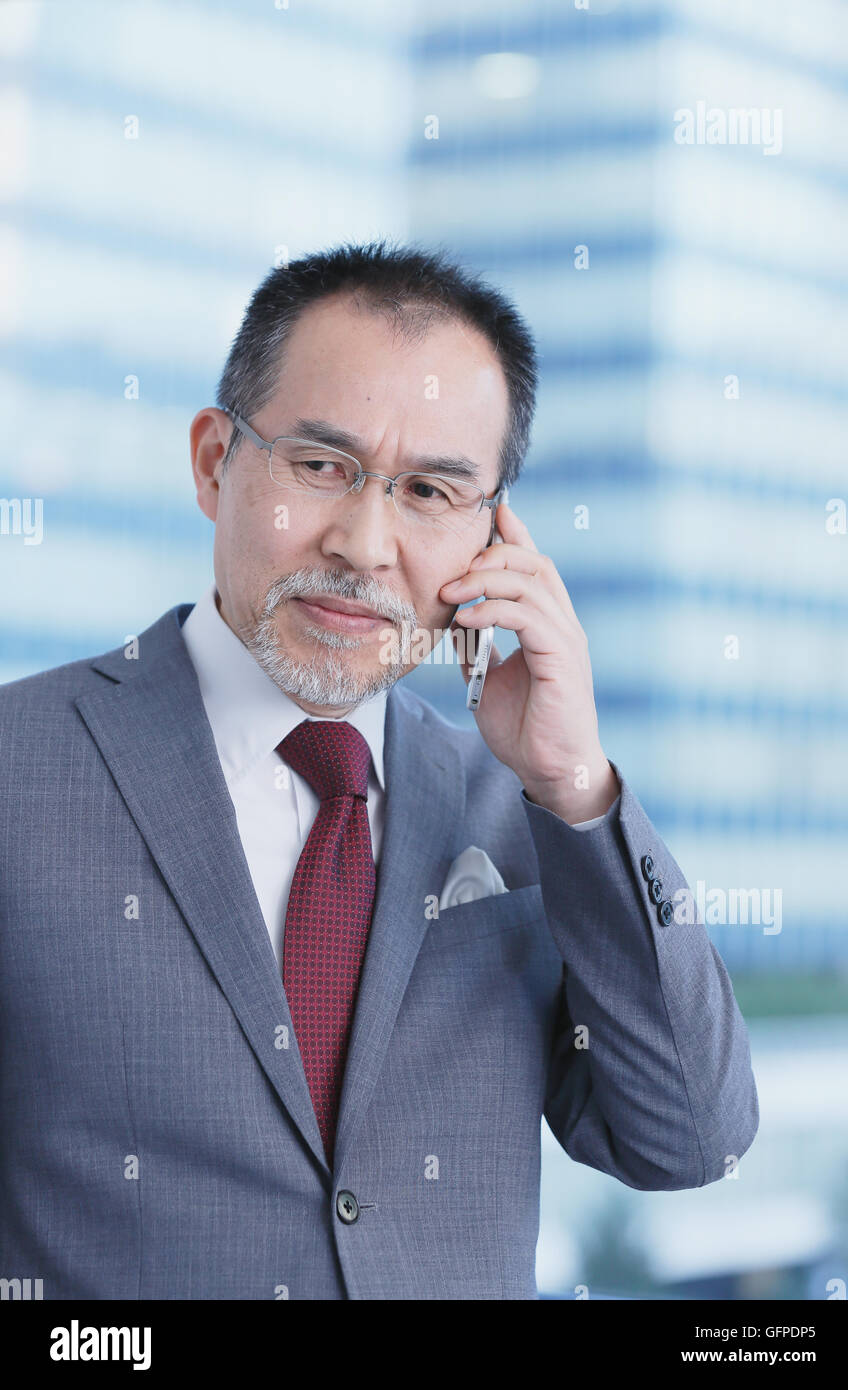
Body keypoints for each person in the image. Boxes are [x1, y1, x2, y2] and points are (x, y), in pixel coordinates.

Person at [0, 241, 758, 1300]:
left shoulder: (523, 812)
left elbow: (687, 1138)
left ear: (493, 534)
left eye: (431, 491)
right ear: (216, 461)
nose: (364, 541)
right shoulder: (20, 769)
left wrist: (575, 785)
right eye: (320, 465)